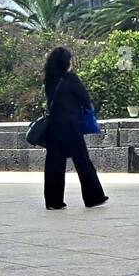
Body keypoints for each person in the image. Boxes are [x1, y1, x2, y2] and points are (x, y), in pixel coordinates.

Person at [41, 46, 107, 211]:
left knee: (54, 164)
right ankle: (93, 197)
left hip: (53, 127)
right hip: (71, 126)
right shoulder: (70, 79)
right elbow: (85, 99)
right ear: (66, 62)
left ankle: (53, 201)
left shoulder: (49, 80)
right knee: (83, 161)